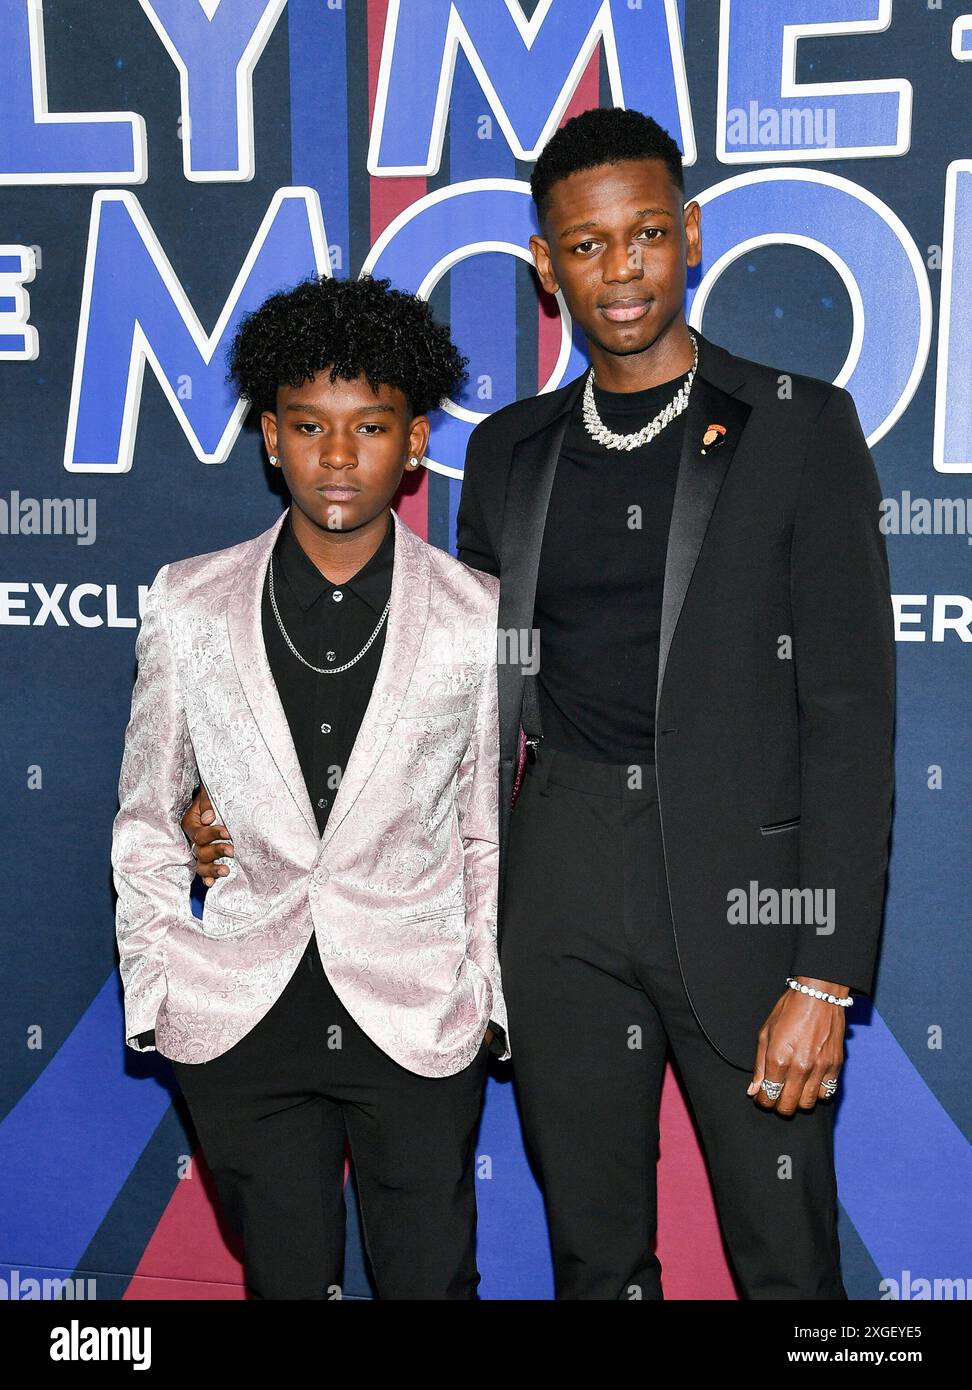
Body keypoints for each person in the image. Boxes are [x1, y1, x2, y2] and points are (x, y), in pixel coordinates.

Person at [185, 108, 896, 1300]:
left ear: (693, 237)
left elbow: (851, 713)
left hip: (745, 897)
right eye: (587, 245)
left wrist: (825, 975)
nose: (621, 271)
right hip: (555, 882)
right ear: (545, 264)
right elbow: (434, 693)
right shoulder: (512, 452)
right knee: (595, 1252)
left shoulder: (798, 426)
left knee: (789, 1262)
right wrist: (249, 799)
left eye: (647, 236)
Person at [112, 273, 508, 1301]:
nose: (339, 455)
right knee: (286, 1284)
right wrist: (157, 987)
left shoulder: (477, 615)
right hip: (242, 1015)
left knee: (431, 1282)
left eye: (370, 426)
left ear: (414, 441)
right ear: (270, 438)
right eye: (308, 426)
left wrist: (483, 1002)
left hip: (416, 1015)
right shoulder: (188, 602)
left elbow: (484, 832)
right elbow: (147, 817)